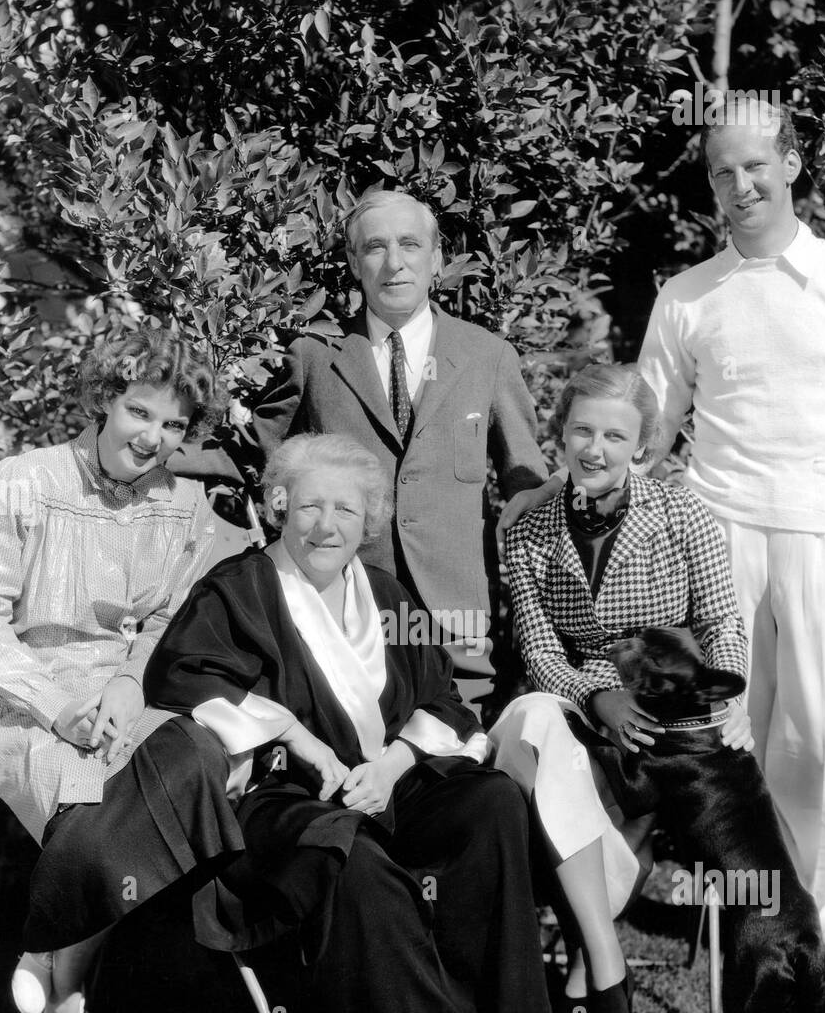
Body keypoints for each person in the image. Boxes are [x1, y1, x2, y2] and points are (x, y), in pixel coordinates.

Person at [500, 98, 825, 958]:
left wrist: (814, 483)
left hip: (820, 530)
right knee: (731, 727)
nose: (739, 183)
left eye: (755, 164)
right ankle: (758, 897)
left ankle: (818, 891)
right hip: (719, 528)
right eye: (722, 171)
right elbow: (648, 427)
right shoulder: (688, 296)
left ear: (791, 164)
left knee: (824, 737)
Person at [142, 433, 562, 1013]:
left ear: (368, 520)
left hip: (385, 780)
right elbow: (180, 676)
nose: (325, 525)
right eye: (308, 505)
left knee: (489, 802)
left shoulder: (386, 594)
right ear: (278, 506)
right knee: (350, 851)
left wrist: (395, 763)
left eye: (344, 509)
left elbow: (442, 702)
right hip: (282, 801)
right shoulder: (239, 589)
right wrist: (294, 737)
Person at [0, 325, 228, 1013]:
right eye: (141, 413)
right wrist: (58, 708)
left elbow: (167, 617)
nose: (155, 438)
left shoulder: (184, 500)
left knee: (196, 758)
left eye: (174, 426)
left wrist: (130, 681)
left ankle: (47, 942)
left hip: (121, 698)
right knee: (90, 803)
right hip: (24, 702)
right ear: (106, 399)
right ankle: (67, 1003)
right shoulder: (23, 479)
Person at [175, 190, 548, 716]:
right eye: (375, 247)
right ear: (354, 262)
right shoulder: (314, 355)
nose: (394, 262)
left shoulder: (488, 357)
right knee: (359, 751)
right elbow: (255, 451)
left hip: (454, 615)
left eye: (410, 245)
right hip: (346, 600)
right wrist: (149, 455)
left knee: (458, 754)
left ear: (437, 258)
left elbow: (527, 484)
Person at [490, 363, 753, 1013]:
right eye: (580, 430)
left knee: (607, 798)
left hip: (671, 709)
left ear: (640, 445)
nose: (594, 449)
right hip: (581, 706)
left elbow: (723, 622)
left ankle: (587, 956)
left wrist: (711, 697)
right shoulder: (527, 528)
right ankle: (604, 959)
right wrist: (595, 695)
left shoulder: (680, 511)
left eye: (614, 435)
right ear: (559, 434)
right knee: (525, 721)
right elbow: (539, 651)